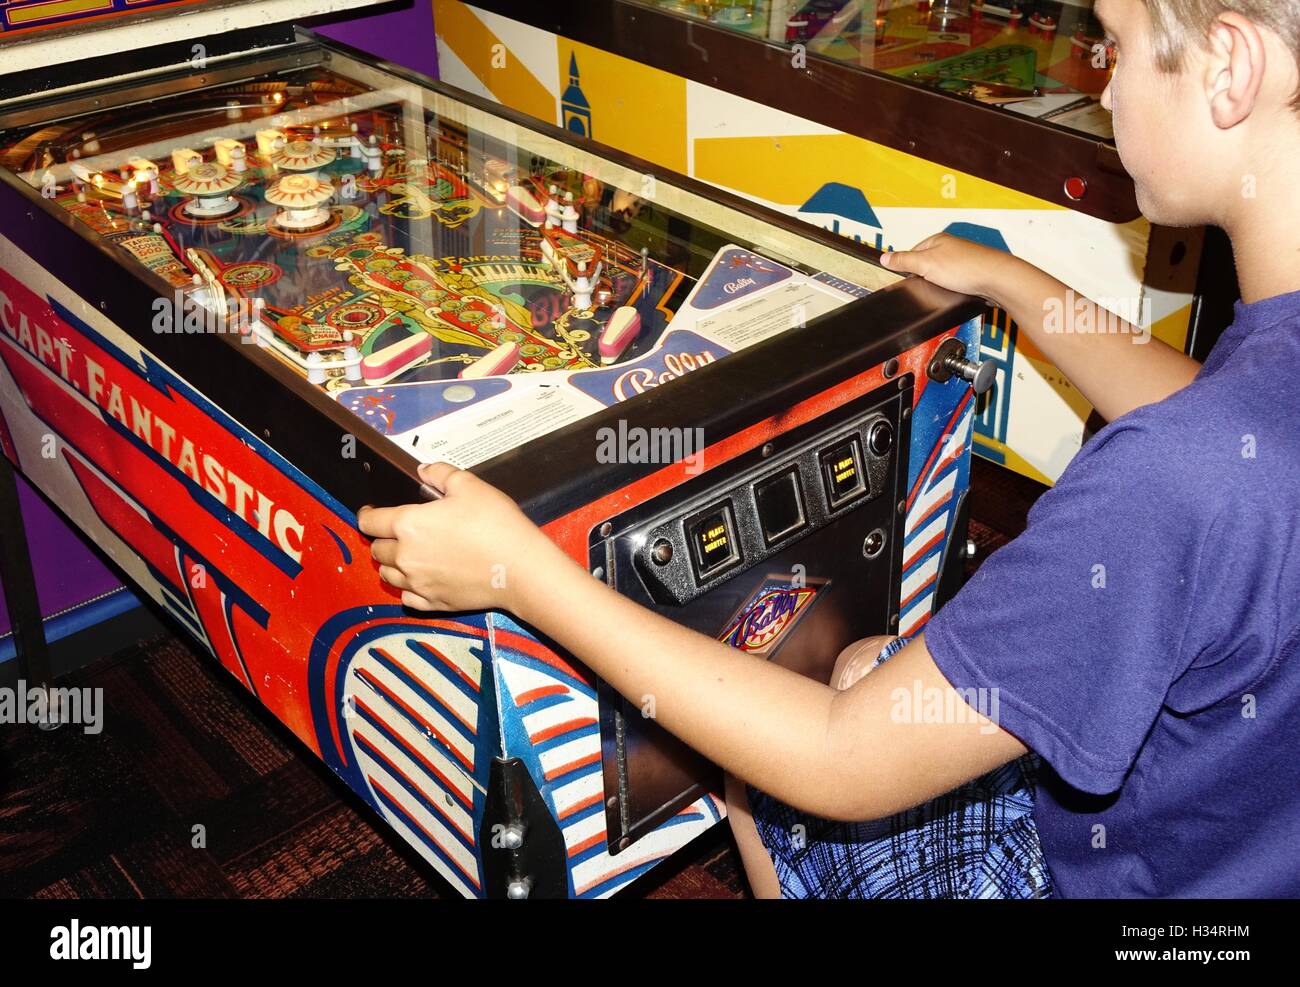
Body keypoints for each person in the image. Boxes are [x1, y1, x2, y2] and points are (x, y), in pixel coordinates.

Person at [359, 0, 1300, 897]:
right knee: (865, 664)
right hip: (1225, 843)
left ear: (1229, 67)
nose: (1103, 86)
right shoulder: (1249, 402)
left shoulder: (1170, 476)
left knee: (776, 729)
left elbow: (839, 760)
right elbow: (1216, 420)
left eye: (1117, 45)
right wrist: (1015, 283)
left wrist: (520, 571)